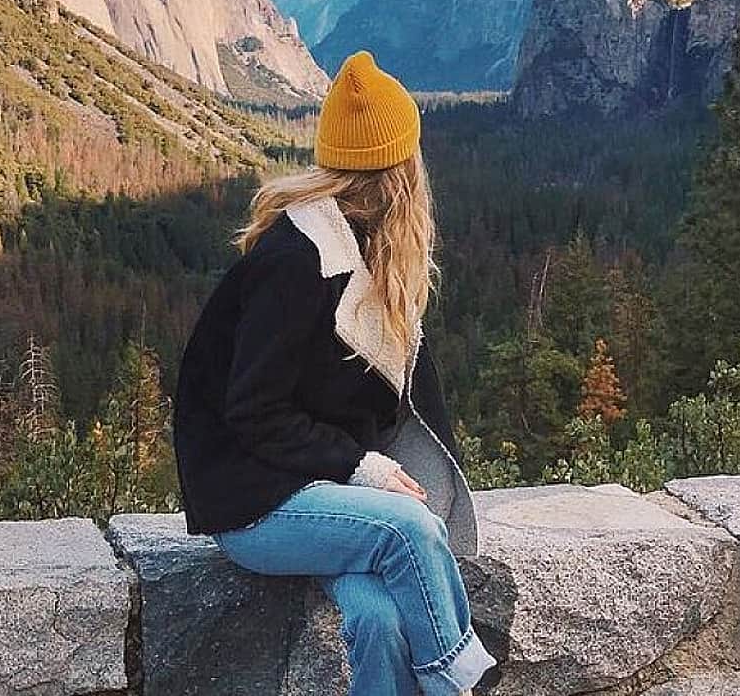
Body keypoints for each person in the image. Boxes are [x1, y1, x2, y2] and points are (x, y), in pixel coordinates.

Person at [172, 50, 497, 696]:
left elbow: (389, 404)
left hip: (313, 488)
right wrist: (363, 467)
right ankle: (463, 683)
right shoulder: (297, 262)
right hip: (252, 502)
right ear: (403, 170)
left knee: (379, 617)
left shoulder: (364, 251)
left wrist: (365, 465)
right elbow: (253, 412)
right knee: (409, 530)